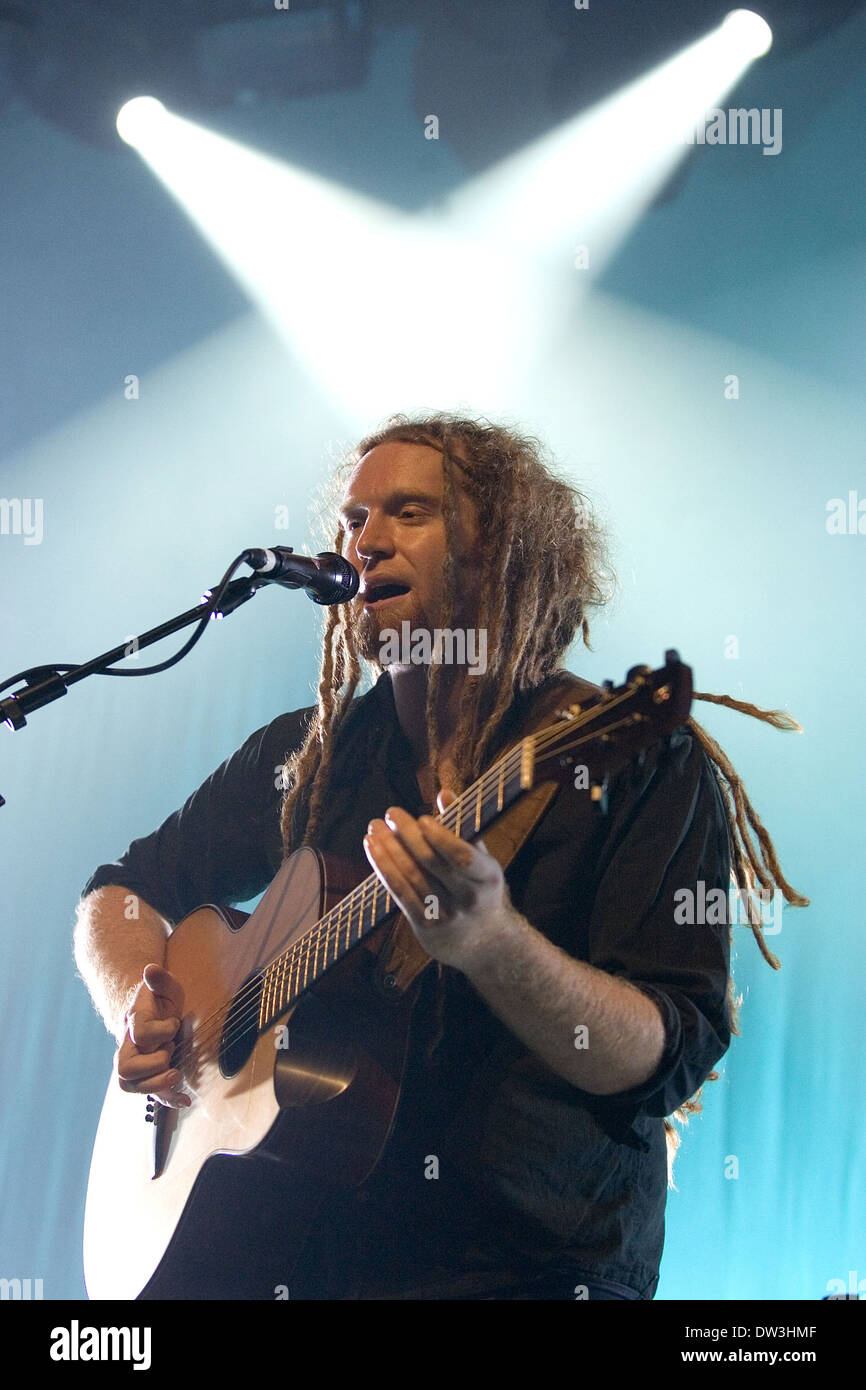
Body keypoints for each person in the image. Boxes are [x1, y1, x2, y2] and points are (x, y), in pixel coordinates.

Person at [74, 412, 807, 1300]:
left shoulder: (637, 757)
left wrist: (493, 944)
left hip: (526, 1268)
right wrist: (142, 1015)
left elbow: (662, 1055)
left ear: (500, 552)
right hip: (309, 1255)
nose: (367, 542)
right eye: (352, 521)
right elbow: (122, 891)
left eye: (409, 513)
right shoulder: (313, 756)